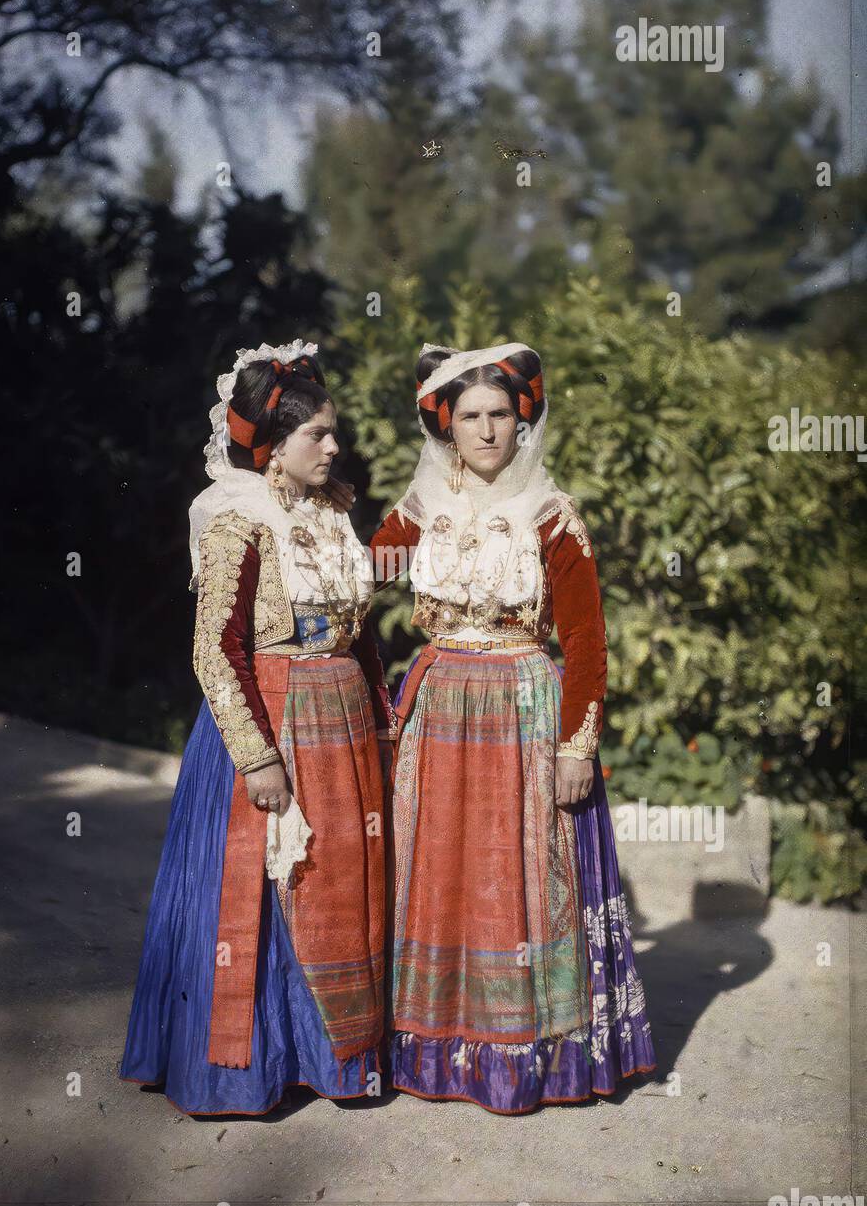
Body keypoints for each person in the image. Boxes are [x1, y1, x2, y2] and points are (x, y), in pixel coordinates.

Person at [370, 342, 656, 1114]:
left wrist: (576, 746)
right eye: (471, 417)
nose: (488, 430)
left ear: (521, 418)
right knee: (438, 866)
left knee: (520, 870)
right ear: (446, 425)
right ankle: (430, 1048)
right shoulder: (416, 510)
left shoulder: (551, 514)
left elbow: (588, 640)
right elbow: (352, 589)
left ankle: (526, 1057)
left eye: (501, 414)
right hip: (438, 705)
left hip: (524, 703)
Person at [120, 340, 394, 1116]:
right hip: (270, 724)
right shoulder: (237, 518)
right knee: (270, 884)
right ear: (272, 449)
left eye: (334, 433)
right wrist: (256, 756)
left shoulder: (336, 510)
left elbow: (362, 632)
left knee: (337, 883)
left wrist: (380, 716)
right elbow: (214, 647)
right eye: (319, 436)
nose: (335, 447)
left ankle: (339, 1058)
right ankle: (254, 1068)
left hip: (341, 725)